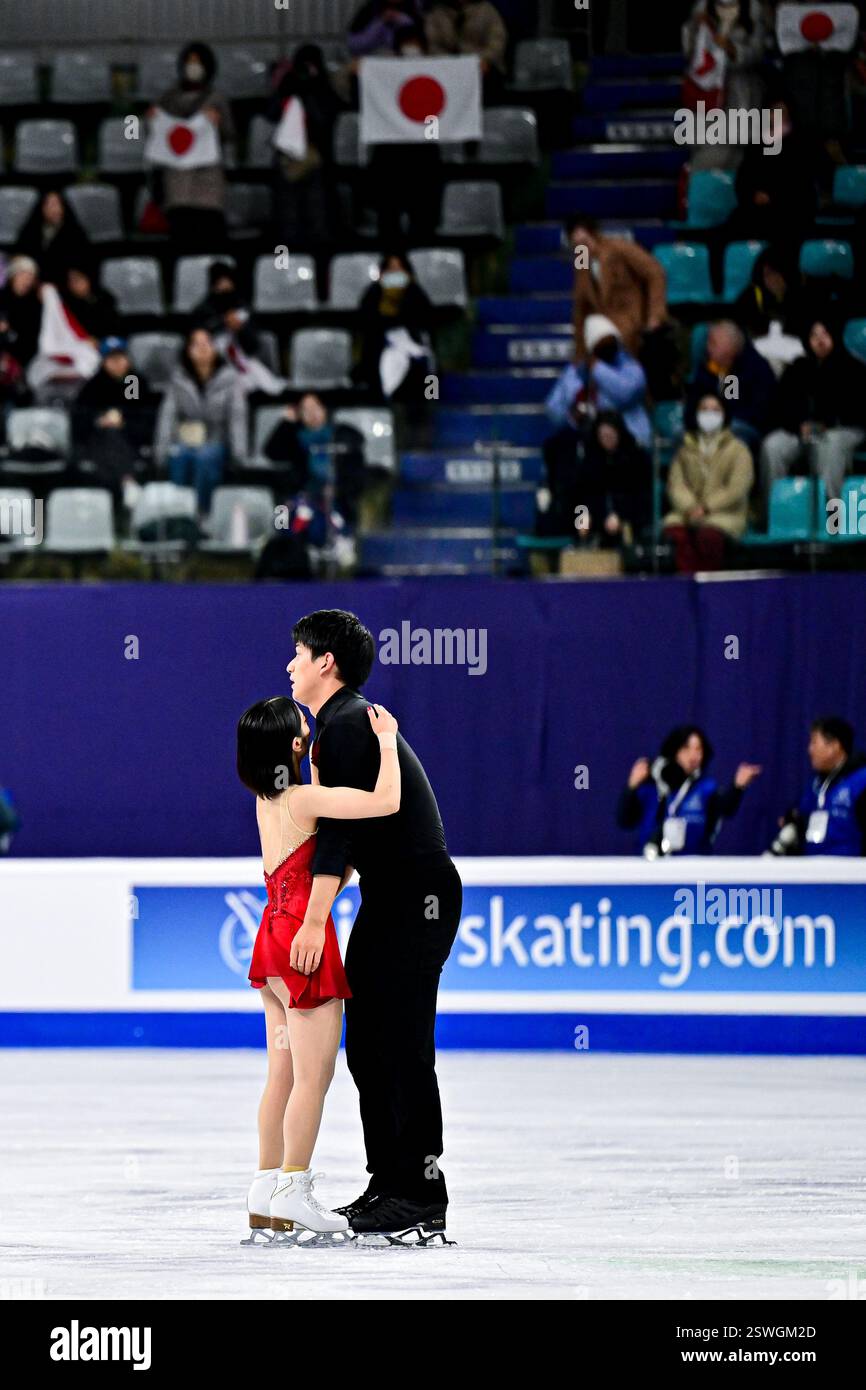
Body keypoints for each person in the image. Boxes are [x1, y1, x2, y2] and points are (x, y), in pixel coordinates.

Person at [288, 610, 463, 1241]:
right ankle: (389, 1183)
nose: (291, 666)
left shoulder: (344, 726)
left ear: (325, 663)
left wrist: (314, 920)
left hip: (416, 897)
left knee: (401, 1044)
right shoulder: (341, 726)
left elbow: (337, 832)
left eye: (299, 655)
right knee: (368, 1044)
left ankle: (419, 1192)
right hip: (396, 897)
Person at [237, 695, 401, 1240]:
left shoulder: (266, 799)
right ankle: (294, 1188)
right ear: (292, 744)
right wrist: (386, 742)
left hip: (272, 938)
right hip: (305, 944)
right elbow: (386, 801)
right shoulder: (305, 800)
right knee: (315, 1076)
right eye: (303, 730)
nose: (310, 733)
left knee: (281, 1073)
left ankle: (265, 1190)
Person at [759, 317, 866, 513]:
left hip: (842, 430)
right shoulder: (797, 368)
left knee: (829, 444)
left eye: (825, 334)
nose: (820, 340)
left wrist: (824, 424)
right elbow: (781, 406)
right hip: (803, 430)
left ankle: (830, 521)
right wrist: (798, 424)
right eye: (814, 335)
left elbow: (856, 410)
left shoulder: (853, 368)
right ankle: (774, 517)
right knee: (772, 446)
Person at [617, 724, 761, 857]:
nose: (693, 755)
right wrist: (631, 786)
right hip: (651, 863)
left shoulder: (706, 788)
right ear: (675, 751)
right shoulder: (652, 786)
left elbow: (727, 808)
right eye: (686, 748)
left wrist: (738, 787)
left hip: (692, 866)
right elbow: (625, 820)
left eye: (698, 749)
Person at [154, 327, 248, 515]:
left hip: (216, 440)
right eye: (196, 344)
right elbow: (167, 416)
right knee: (179, 455)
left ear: (215, 348)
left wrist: (239, 453)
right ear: (188, 351)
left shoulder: (230, 378)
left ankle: (203, 513)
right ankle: (178, 513)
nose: (202, 348)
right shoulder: (177, 379)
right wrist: (162, 450)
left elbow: (237, 417)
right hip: (186, 438)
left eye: (207, 343)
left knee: (205, 457)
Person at [156, 42, 235, 252]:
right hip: (178, 187)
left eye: (198, 62)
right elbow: (156, 137)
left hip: (208, 186)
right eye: (190, 62)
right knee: (183, 249)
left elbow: (229, 135)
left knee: (211, 248)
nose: (194, 67)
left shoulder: (217, 99)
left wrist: (216, 123)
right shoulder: (168, 99)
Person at [269, 45, 343, 263]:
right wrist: (285, 86)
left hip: (317, 162)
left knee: (318, 218)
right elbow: (271, 114)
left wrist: (310, 90)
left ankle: (320, 265)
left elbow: (324, 118)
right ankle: (288, 262)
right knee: (288, 218)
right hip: (287, 161)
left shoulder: (325, 89)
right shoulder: (287, 86)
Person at [665, 393, 754, 572]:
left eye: (715, 410)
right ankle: (685, 586)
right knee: (674, 532)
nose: (709, 414)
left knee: (708, 536)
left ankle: (710, 588)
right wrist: (691, 507)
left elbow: (737, 488)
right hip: (688, 512)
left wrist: (706, 507)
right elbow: (676, 484)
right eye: (704, 409)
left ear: (724, 415)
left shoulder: (738, 450)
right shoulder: (685, 450)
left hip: (726, 513)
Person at [567, 213, 668, 363]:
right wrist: (579, 352)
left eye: (585, 242)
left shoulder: (619, 248)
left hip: (631, 320)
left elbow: (655, 272)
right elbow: (581, 304)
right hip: (604, 327)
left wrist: (655, 316)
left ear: (593, 234)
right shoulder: (581, 259)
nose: (582, 247)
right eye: (578, 244)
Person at [73, 337, 157, 513]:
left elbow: (139, 412)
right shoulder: (94, 385)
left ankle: (113, 501)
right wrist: (99, 420)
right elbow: (81, 418)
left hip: (130, 437)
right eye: (112, 359)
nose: (117, 363)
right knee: (107, 436)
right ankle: (127, 482)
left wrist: (122, 419)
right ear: (104, 361)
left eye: (120, 358)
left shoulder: (132, 382)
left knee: (113, 436)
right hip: (98, 440)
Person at [546, 314, 652, 449]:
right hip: (590, 445)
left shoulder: (630, 367)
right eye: (601, 343)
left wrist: (597, 368)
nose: (607, 347)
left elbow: (626, 393)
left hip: (631, 442)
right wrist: (572, 416)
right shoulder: (577, 372)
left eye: (610, 342)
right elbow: (553, 409)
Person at [263, 393, 368, 529]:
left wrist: (338, 489)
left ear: (324, 409)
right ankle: (283, 539)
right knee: (282, 509)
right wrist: (286, 422)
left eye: (315, 407)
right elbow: (271, 452)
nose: (312, 413)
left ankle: (343, 538)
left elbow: (356, 464)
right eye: (305, 410)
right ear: (299, 415)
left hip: (338, 494)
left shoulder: (343, 433)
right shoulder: (295, 438)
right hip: (304, 493)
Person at [766, 716, 866, 857]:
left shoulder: (861, 782)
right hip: (814, 872)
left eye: (814, 743)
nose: (810, 750)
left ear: (834, 746)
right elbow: (800, 820)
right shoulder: (815, 786)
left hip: (851, 873)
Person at [682, 2, 766, 168]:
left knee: (736, 153)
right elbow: (689, 50)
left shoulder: (753, 8)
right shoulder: (702, 6)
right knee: (705, 149)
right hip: (706, 90)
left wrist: (732, 49)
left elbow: (757, 52)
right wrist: (695, 28)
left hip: (740, 92)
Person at [687, 319, 776, 453]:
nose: (707, 347)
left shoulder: (755, 368)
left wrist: (720, 420)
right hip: (707, 424)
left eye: (713, 343)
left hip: (745, 427)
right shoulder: (708, 367)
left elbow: (755, 413)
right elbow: (693, 403)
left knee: (731, 433)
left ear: (729, 347)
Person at [359, 252, 435, 403]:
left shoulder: (415, 291)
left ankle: (431, 401)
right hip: (380, 346)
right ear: (382, 273)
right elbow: (365, 320)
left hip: (413, 344)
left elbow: (426, 317)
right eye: (390, 269)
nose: (395, 273)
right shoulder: (373, 292)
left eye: (399, 268)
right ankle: (383, 403)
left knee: (431, 368)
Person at [569, 411, 653, 549]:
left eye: (610, 436)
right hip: (596, 522)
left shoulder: (635, 458)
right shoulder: (590, 460)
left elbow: (642, 496)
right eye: (602, 436)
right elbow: (581, 496)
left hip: (630, 521)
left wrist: (621, 515)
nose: (606, 440)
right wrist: (582, 516)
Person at [426, 0, 509, 100]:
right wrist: (449, 63)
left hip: (483, 64)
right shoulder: (437, 13)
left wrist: (483, 60)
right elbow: (433, 45)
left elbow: (497, 41)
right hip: (448, 66)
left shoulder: (487, 10)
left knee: (490, 80)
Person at [14, 191, 90, 288]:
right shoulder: (31, 230)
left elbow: (82, 263)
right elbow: (20, 254)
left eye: (56, 204)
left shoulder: (76, 232)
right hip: (34, 285)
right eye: (49, 204)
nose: (53, 209)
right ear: (42, 208)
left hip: (65, 286)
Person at [0, 257, 43, 368]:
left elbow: (30, 340)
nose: (26, 281)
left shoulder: (34, 305)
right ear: (12, 276)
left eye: (30, 277)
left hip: (22, 359)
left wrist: (9, 331)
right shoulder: (2, 297)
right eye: (22, 275)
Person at [62, 263, 120, 343]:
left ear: (88, 279)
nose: (73, 284)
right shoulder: (67, 306)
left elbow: (114, 328)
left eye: (77, 279)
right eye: (70, 281)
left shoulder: (105, 299)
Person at [347, 1, 426, 57]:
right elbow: (353, 45)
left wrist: (402, 19)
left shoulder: (414, 10)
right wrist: (380, 23)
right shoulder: (370, 10)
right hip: (372, 60)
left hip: (405, 62)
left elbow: (422, 43)